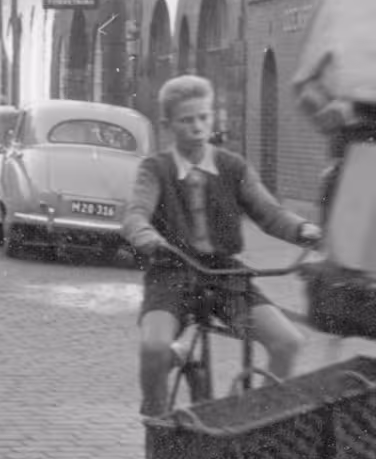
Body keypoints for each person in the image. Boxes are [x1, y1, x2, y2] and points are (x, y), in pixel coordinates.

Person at [122, 74, 321, 418]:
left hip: (224, 274)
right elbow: (136, 213)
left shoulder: (233, 166)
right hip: (173, 272)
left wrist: (303, 229)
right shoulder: (156, 169)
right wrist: (147, 238)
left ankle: (260, 422)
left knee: (287, 342)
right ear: (169, 125)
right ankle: (156, 420)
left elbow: (269, 212)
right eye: (187, 120)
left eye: (204, 117)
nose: (198, 127)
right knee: (154, 347)